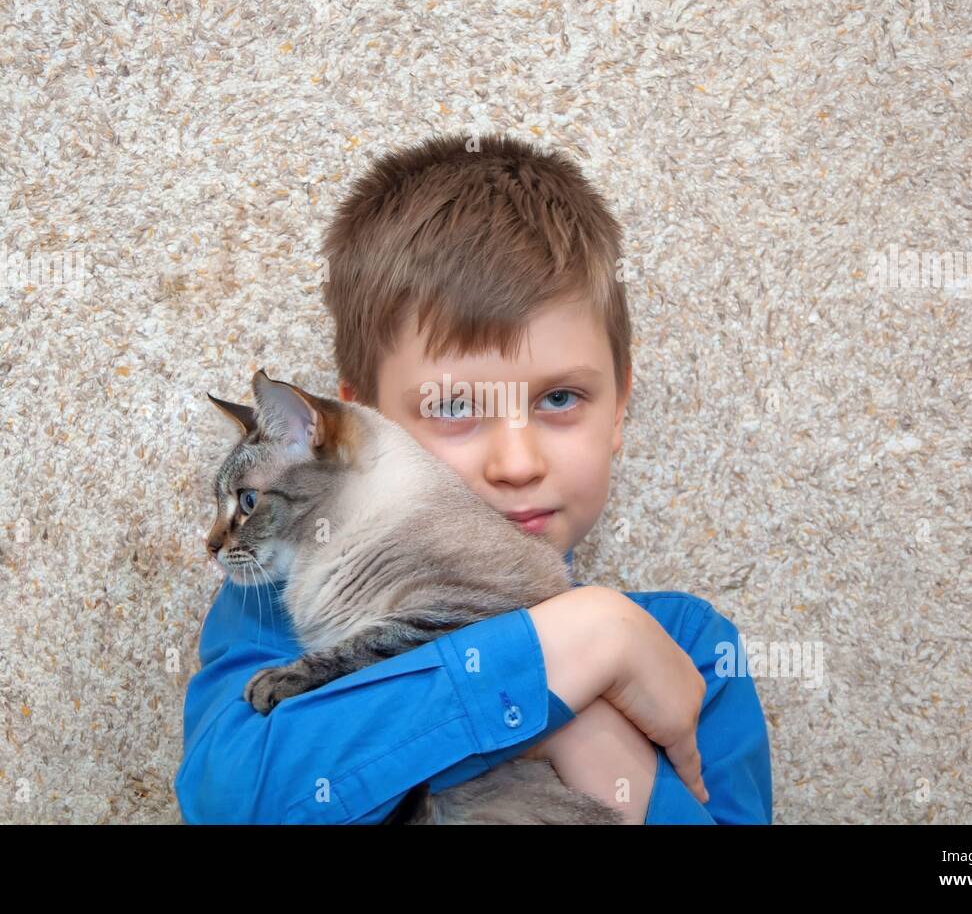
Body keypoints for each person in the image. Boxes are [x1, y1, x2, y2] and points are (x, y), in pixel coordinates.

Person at [176, 132, 772, 824]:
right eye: (455, 407)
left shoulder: (688, 645)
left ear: (620, 408)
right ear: (364, 420)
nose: (517, 463)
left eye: (558, 399)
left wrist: (602, 746)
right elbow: (230, 802)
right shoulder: (278, 611)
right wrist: (561, 660)